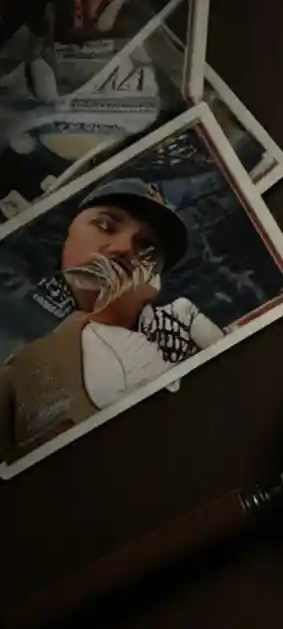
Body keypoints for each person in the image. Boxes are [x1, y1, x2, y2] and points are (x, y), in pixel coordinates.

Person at [0, 177, 225, 464]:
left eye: (148, 250)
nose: (123, 249)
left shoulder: (158, 353)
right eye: (106, 225)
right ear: (69, 229)